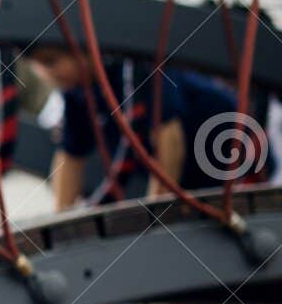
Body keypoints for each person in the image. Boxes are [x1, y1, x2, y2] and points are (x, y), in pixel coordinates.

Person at [30, 45, 263, 211]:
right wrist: (60, 217)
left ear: (84, 49)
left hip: (235, 164)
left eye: (51, 61)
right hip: (193, 183)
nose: (46, 74)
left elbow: (169, 140)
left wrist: (156, 216)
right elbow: (70, 156)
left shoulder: (138, 66)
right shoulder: (77, 92)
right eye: (37, 66)